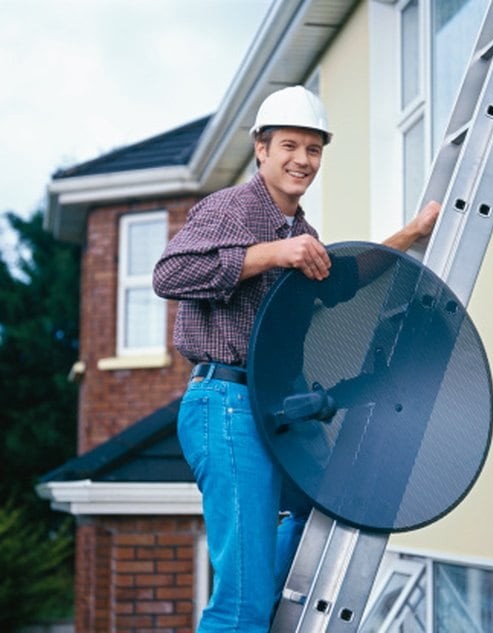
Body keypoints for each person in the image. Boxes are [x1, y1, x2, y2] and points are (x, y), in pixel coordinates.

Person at [153, 85, 440, 632]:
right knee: (240, 604)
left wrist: (411, 236)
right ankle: (254, 602)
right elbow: (169, 275)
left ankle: (268, 598)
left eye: (313, 149)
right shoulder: (231, 207)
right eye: (289, 145)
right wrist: (269, 255)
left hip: (274, 409)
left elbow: (341, 283)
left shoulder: (303, 232)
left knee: (323, 508)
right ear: (261, 149)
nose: (302, 160)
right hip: (226, 404)